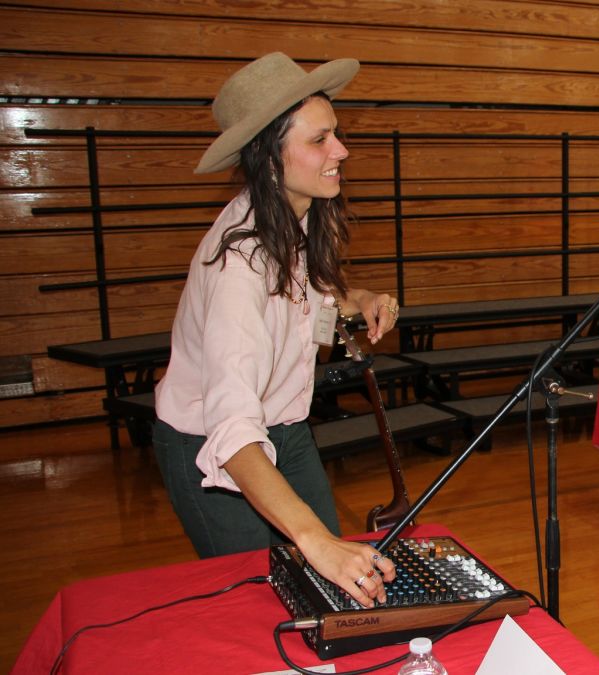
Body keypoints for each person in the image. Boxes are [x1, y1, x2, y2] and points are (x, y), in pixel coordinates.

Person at [153, 52, 398, 607]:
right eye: (320, 140)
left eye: (336, 134)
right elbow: (234, 430)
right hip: (212, 445)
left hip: (285, 431)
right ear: (269, 159)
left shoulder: (301, 212)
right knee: (260, 598)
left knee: (332, 584)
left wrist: (351, 296)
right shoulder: (237, 267)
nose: (341, 151)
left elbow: (305, 291)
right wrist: (313, 539)